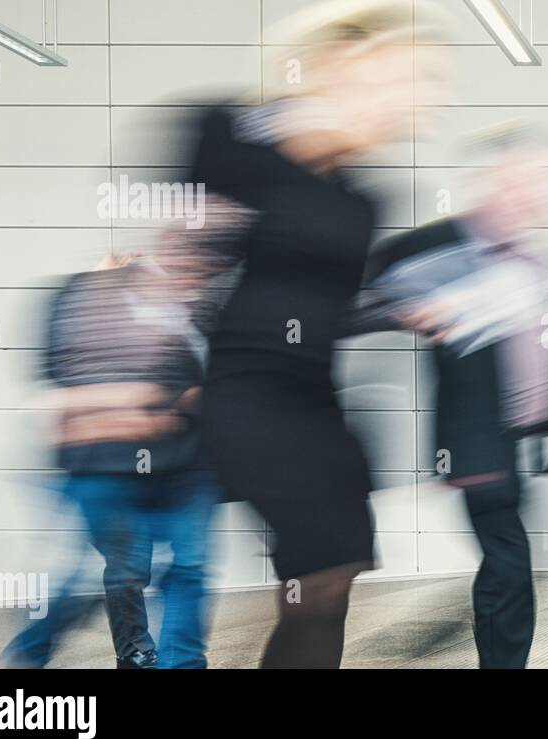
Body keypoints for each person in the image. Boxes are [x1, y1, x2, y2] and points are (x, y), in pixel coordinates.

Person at [187, 0, 443, 669]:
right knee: (319, 569)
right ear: (342, 64)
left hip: (314, 398)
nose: (421, 99)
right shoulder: (231, 136)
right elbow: (187, 264)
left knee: (335, 573)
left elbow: (330, 308)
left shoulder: (362, 198)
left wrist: (398, 311)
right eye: (408, 76)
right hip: (246, 391)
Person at [355, 124, 548, 668]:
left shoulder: (532, 263)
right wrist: (410, 313)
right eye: (534, 177)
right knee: (510, 562)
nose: (545, 191)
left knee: (506, 564)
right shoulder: (437, 246)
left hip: (519, 439)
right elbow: (349, 301)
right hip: (474, 440)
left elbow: (536, 353)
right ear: (496, 178)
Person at [3, 209, 245, 669]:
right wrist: (135, 400)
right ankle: (43, 652)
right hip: (107, 464)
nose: (197, 274)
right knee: (118, 572)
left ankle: (175, 663)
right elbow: (57, 385)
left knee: (188, 568)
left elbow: (216, 380)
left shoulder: (202, 306)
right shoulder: (80, 295)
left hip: (187, 462)